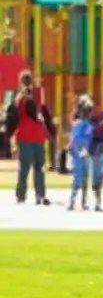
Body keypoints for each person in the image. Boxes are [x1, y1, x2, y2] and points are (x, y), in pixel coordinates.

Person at [11, 70, 51, 206]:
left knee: (24, 167)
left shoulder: (19, 98)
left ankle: (21, 195)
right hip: (38, 136)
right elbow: (42, 111)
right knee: (39, 167)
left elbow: (16, 114)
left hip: (24, 136)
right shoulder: (37, 94)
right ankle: (40, 194)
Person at [66, 99, 95, 211]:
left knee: (81, 177)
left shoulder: (79, 125)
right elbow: (81, 139)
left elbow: (74, 139)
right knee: (81, 177)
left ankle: (78, 201)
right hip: (82, 154)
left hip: (80, 154)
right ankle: (75, 201)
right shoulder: (85, 125)